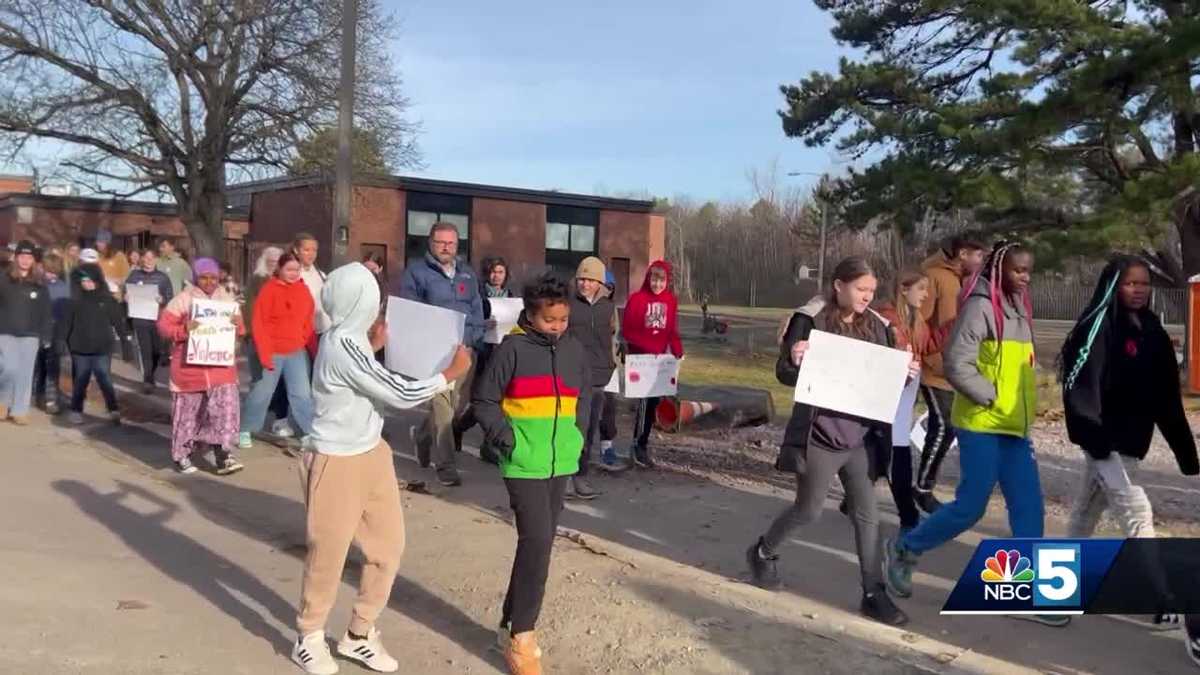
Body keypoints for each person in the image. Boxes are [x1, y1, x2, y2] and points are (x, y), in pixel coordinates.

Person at [291, 262, 470, 675]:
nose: (380, 305)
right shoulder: (340, 344)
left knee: (387, 548)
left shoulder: (351, 341)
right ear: (361, 301)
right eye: (374, 297)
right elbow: (400, 392)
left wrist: (372, 346)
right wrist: (449, 374)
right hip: (335, 460)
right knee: (328, 554)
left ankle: (358, 634)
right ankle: (310, 635)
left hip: (372, 453)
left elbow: (360, 374)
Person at [884, 242, 1069, 627]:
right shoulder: (980, 307)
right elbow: (956, 363)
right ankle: (905, 548)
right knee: (971, 507)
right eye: (1018, 271)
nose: (1025, 278)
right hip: (981, 423)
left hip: (1014, 429)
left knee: (1029, 508)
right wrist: (991, 397)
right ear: (1000, 269)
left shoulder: (1021, 309)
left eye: (1029, 271)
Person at [746, 256, 913, 627]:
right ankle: (762, 551)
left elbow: (884, 384)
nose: (867, 297)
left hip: (861, 439)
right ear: (838, 285)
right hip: (820, 436)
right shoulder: (811, 320)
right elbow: (785, 373)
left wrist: (903, 373)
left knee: (868, 515)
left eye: (871, 290)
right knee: (808, 510)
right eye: (860, 289)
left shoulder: (879, 327)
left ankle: (873, 593)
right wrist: (793, 357)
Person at [472, 273, 592, 675]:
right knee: (538, 542)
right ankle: (523, 635)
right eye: (549, 320)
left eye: (562, 319)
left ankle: (508, 622)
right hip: (523, 462)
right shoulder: (513, 349)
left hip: (560, 462)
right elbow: (484, 400)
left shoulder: (574, 349)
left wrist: (578, 439)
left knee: (537, 544)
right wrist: (508, 441)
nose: (557, 327)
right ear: (531, 315)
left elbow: (584, 396)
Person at [1061, 254, 1198, 538]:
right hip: (1101, 438)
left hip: (1134, 441)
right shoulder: (1097, 327)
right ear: (1114, 286)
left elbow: (1167, 396)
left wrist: (1186, 454)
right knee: (1136, 510)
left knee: (1086, 511)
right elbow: (1079, 386)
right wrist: (1095, 441)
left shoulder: (1152, 330)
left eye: (1144, 284)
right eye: (1130, 283)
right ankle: (1156, 583)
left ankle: (1061, 575)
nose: (1139, 290)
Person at [399, 222, 486, 487]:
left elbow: (476, 309)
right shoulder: (416, 273)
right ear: (431, 243)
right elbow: (410, 310)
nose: (446, 247)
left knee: (452, 404)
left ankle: (422, 437)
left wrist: (475, 340)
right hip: (434, 353)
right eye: (440, 242)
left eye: (451, 243)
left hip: (464, 351)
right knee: (443, 407)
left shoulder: (467, 275)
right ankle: (446, 465)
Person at [914, 235, 986, 514]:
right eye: (978, 255)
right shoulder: (935, 277)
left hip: (953, 369)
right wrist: (931, 359)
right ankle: (921, 489)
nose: (981, 261)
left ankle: (865, 489)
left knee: (943, 427)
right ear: (963, 253)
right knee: (944, 425)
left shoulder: (962, 281)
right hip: (934, 368)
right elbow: (918, 318)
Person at [157, 258, 246, 475]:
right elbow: (163, 326)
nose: (209, 282)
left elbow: (241, 330)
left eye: (213, 278)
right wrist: (183, 329)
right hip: (190, 370)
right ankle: (182, 454)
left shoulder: (227, 300)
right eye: (204, 277)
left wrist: (238, 325)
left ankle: (223, 455)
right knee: (188, 414)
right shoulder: (183, 300)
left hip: (220, 369)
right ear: (196, 278)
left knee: (224, 412)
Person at [874, 270, 935, 534]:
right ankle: (908, 516)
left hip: (905, 395)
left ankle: (854, 500)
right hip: (892, 395)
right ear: (903, 289)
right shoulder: (888, 320)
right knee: (897, 454)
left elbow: (927, 347)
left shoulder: (915, 319)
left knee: (885, 452)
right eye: (921, 288)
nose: (926, 295)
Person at [239, 252, 316, 449]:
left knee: (302, 393)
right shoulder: (269, 290)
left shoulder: (303, 291)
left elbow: (308, 320)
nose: (293, 274)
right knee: (262, 390)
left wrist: (306, 343)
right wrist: (264, 352)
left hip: (296, 350)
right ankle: (245, 429)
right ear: (279, 270)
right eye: (289, 270)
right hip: (272, 349)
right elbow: (259, 323)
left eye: (296, 270)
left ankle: (308, 431)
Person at [621, 260, 683, 469]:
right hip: (641, 362)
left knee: (653, 404)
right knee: (643, 404)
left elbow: (671, 330)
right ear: (649, 279)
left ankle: (643, 444)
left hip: (659, 364)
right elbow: (628, 331)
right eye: (654, 280)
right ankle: (636, 444)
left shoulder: (670, 301)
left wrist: (677, 351)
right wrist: (645, 347)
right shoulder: (637, 300)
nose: (657, 285)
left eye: (662, 281)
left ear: (667, 282)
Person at [565, 256, 617, 499]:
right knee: (569, 427)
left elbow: (614, 337)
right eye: (581, 279)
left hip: (598, 376)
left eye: (590, 279)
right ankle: (563, 476)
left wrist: (613, 364)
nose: (584, 284)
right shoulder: (567, 303)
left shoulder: (608, 306)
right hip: (571, 373)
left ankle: (581, 475)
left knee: (588, 428)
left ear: (599, 282)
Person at [454, 255, 513, 465]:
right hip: (485, 351)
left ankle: (488, 445)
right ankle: (459, 427)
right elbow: (469, 318)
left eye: (500, 272)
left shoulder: (512, 297)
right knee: (483, 399)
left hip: (505, 351)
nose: (496, 276)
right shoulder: (479, 296)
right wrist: (481, 323)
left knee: (500, 400)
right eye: (493, 272)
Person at [60, 263, 133, 425]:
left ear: (98, 280)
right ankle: (76, 409)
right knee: (80, 379)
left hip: (102, 348)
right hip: (80, 348)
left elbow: (119, 325)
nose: (88, 283)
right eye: (84, 280)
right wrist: (61, 343)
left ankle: (113, 409)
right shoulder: (74, 302)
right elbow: (66, 325)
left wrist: (126, 347)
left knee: (104, 378)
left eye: (91, 280)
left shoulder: (107, 301)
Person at [0, 240, 52, 425]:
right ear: (16, 257)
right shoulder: (4, 279)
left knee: (25, 373)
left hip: (31, 334)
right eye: (22, 256)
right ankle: (2, 400)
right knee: (9, 368)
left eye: (29, 257)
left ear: (33, 260)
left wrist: (46, 335)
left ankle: (19, 410)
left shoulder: (39, 283)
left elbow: (46, 312)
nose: (25, 260)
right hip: (6, 331)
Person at [244, 246, 292, 436]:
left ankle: (280, 421)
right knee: (259, 381)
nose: (273, 263)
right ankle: (250, 424)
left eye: (277, 260)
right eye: (270, 260)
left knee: (282, 382)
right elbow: (250, 308)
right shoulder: (257, 280)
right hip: (260, 338)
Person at [125, 249, 175, 393]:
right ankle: (148, 379)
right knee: (145, 350)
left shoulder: (163, 277)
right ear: (142, 259)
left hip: (157, 318)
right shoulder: (134, 275)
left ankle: (151, 373)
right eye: (145, 258)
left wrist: (163, 300)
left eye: (151, 258)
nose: (148, 260)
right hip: (140, 318)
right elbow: (126, 291)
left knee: (157, 350)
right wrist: (126, 297)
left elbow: (170, 297)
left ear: (155, 259)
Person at [34, 252, 71, 414]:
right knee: (41, 365)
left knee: (51, 366)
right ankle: (40, 395)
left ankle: (49, 398)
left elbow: (65, 312)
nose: (47, 273)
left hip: (55, 331)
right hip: (39, 330)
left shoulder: (62, 288)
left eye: (50, 270)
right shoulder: (38, 285)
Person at [599, 271, 622, 468]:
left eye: (610, 287)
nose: (607, 290)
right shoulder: (582, 308)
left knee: (609, 407)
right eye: (604, 285)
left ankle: (607, 445)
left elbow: (615, 333)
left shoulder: (611, 308)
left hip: (609, 365)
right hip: (589, 365)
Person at [293, 232, 330, 335]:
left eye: (314, 250)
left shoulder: (321, 275)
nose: (311, 254)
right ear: (296, 250)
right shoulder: (292, 276)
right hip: (302, 333)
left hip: (324, 330)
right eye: (306, 250)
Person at [94, 230, 130, 300]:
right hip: (98, 296)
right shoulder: (95, 256)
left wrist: (111, 280)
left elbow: (127, 277)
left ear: (108, 243)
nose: (99, 244)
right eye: (98, 241)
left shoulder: (119, 256)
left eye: (102, 242)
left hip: (115, 296)